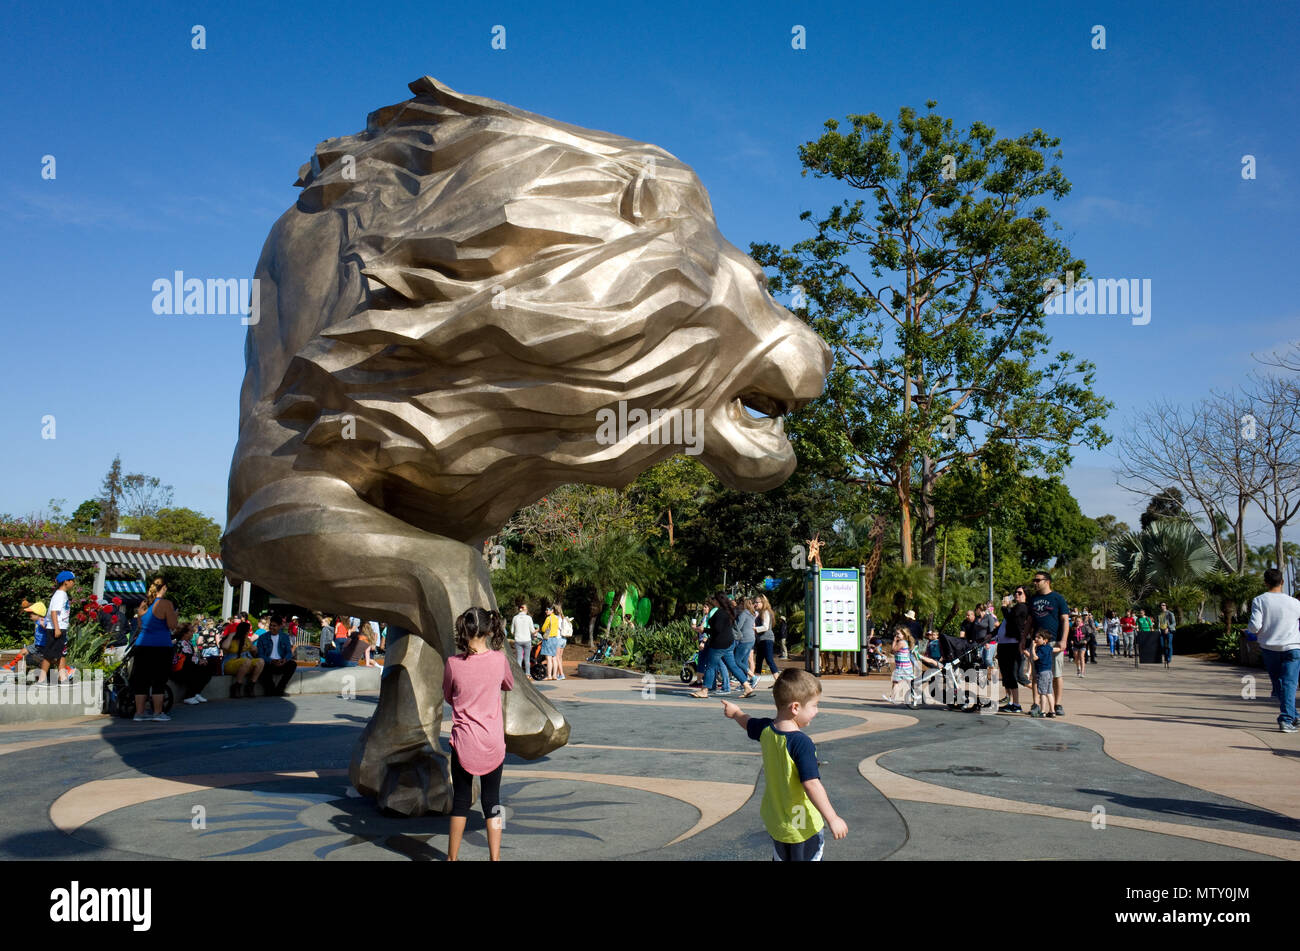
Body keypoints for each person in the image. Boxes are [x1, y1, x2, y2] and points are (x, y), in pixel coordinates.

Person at [718, 668, 847, 860]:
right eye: (814, 705)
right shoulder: (801, 742)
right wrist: (832, 818)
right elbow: (811, 783)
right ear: (795, 707)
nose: (817, 711)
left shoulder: (765, 729)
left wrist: (736, 712)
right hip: (801, 821)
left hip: (777, 819)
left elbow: (748, 722)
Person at [443, 606, 513, 861]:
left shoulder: (453, 664)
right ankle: (495, 858)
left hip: (463, 742)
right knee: (492, 800)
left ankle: (452, 858)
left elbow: (449, 695)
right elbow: (508, 684)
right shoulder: (499, 660)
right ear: (489, 628)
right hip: (492, 742)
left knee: (460, 800)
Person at [1247, 568, 1300, 733]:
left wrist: (1249, 631)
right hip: (1293, 648)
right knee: (1288, 684)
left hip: (1270, 648)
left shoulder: (1259, 600)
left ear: (1265, 582)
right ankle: (1290, 717)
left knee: (1279, 684)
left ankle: (1287, 718)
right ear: (1282, 582)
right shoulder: (1295, 602)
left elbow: (1255, 626)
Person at [691, 593, 756, 699]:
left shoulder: (719, 613)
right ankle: (747, 686)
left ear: (718, 601)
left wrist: (703, 630)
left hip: (719, 644)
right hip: (729, 643)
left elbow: (717, 630)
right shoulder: (728, 611)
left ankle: (704, 690)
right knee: (733, 665)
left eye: (714, 600)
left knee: (710, 666)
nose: (713, 602)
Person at [131, 578, 179, 721]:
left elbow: (140, 625)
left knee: (141, 680)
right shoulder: (166, 604)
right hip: (161, 645)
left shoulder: (144, 605)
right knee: (159, 679)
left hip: (142, 645)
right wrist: (175, 615)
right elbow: (172, 625)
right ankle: (157, 713)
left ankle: (139, 713)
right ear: (163, 588)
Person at [1029, 571, 1069, 716]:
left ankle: (1057, 704)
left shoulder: (1058, 598)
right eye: (1034, 580)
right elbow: (1030, 621)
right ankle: (1036, 704)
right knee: (1036, 675)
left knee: (1056, 674)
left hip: (1053, 642)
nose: (1035, 582)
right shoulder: (1033, 599)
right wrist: (1024, 639)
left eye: (1037, 580)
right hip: (1036, 642)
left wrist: (1063, 640)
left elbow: (1065, 620)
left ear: (1047, 581)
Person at [37, 571, 76, 684]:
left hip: (59, 628)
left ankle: (62, 678)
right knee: (49, 655)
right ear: (65, 582)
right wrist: (57, 628)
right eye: (72, 580)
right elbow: (54, 612)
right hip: (56, 629)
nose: (73, 583)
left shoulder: (62, 594)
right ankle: (41, 679)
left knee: (62, 654)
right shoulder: (60, 594)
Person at [996, 591, 1026, 713]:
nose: (1016, 595)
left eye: (1020, 593)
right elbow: (1004, 623)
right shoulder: (1014, 609)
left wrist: (1004, 607)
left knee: (1013, 674)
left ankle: (1016, 704)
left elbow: (1011, 620)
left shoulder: (1022, 607)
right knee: (1006, 674)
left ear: (1025, 595)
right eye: (1015, 593)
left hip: (1012, 645)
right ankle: (1010, 702)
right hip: (1004, 645)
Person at [221, 620, 265, 696]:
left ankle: (251, 685)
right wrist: (231, 635)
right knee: (246, 661)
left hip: (245, 661)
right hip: (230, 662)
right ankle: (237, 685)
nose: (247, 633)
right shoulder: (231, 639)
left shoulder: (246, 640)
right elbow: (224, 647)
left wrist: (254, 650)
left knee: (260, 661)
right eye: (246, 631)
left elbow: (254, 651)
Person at [257, 616, 298, 696]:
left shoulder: (285, 637)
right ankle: (270, 689)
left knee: (292, 664)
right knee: (263, 665)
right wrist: (271, 661)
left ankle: (280, 688)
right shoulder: (263, 637)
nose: (272, 627)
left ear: (279, 626)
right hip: (269, 663)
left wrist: (284, 660)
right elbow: (260, 654)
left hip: (281, 662)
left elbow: (289, 652)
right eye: (271, 625)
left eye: (274, 626)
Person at [1026, 630, 1062, 718]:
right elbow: (1055, 649)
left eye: (1039, 638)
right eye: (1036, 637)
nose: (1036, 639)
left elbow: (1034, 658)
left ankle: (1042, 711)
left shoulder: (1041, 649)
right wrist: (1061, 648)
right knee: (1049, 692)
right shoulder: (1048, 647)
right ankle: (1052, 711)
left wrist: (1033, 648)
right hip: (1049, 672)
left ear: (1045, 640)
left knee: (1042, 693)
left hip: (1042, 673)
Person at [172, 623, 212, 704]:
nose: (193, 633)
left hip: (185, 667)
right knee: (198, 670)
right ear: (184, 633)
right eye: (191, 631)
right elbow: (186, 657)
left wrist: (201, 660)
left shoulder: (188, 642)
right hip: (178, 670)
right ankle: (189, 696)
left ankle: (195, 693)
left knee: (208, 667)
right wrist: (199, 661)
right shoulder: (180, 643)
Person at [883, 627, 915, 704]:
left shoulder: (902, 642)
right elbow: (892, 652)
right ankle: (893, 697)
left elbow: (893, 650)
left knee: (896, 682)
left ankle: (893, 698)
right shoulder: (902, 642)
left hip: (903, 666)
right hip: (903, 666)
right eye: (896, 634)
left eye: (898, 634)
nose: (896, 635)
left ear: (903, 635)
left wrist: (894, 641)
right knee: (898, 682)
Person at [753, 594, 779, 678]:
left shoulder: (765, 612)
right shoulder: (760, 612)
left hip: (767, 639)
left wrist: (754, 628)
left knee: (769, 660)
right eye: (755, 602)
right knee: (758, 660)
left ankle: (778, 680)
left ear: (763, 602)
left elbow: (765, 627)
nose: (755, 604)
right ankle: (755, 681)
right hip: (761, 639)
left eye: (757, 602)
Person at [733, 597, 757, 680]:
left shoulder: (744, 614)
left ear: (744, 604)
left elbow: (738, 627)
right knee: (744, 661)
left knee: (737, 661)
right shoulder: (752, 614)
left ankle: (753, 676)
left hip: (745, 639)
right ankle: (744, 680)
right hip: (751, 639)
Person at [511, 603, 535, 677]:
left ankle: (518, 674)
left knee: (519, 658)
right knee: (527, 658)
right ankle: (527, 674)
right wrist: (536, 631)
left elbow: (512, 631)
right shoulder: (529, 618)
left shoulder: (515, 618)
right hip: (527, 640)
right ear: (526, 610)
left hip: (518, 640)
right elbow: (532, 631)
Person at [538, 604, 560, 681]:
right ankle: (555, 675)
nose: (546, 611)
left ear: (552, 610)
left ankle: (549, 675)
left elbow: (543, 629)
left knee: (549, 658)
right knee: (554, 658)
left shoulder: (548, 618)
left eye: (548, 610)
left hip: (548, 639)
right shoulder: (556, 618)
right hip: (555, 639)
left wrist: (546, 628)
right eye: (546, 610)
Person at [1157, 603, 1176, 669]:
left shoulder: (1170, 613)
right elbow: (1159, 624)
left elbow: (1174, 623)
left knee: (1169, 645)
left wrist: (1168, 628)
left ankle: (1168, 659)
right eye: (1161, 605)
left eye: (1163, 605)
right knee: (1162, 646)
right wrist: (1158, 630)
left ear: (1166, 606)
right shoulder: (1159, 614)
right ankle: (1166, 659)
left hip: (1169, 631)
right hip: (1161, 632)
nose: (1162, 606)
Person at [555, 602, 570, 681]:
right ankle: (558, 674)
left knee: (557, 657)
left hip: (558, 638)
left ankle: (561, 674)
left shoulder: (556, 618)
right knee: (560, 657)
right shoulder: (564, 617)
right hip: (564, 639)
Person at [1069, 612, 1088, 677]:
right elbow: (1070, 636)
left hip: (1082, 644)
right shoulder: (1073, 628)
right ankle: (1078, 668)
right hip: (1075, 644)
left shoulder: (1084, 627)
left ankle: (1082, 673)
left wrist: (1086, 640)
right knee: (1076, 658)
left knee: (1082, 657)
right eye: (1077, 621)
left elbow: (1089, 636)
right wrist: (1071, 640)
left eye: (1079, 621)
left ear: (1081, 621)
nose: (1078, 622)